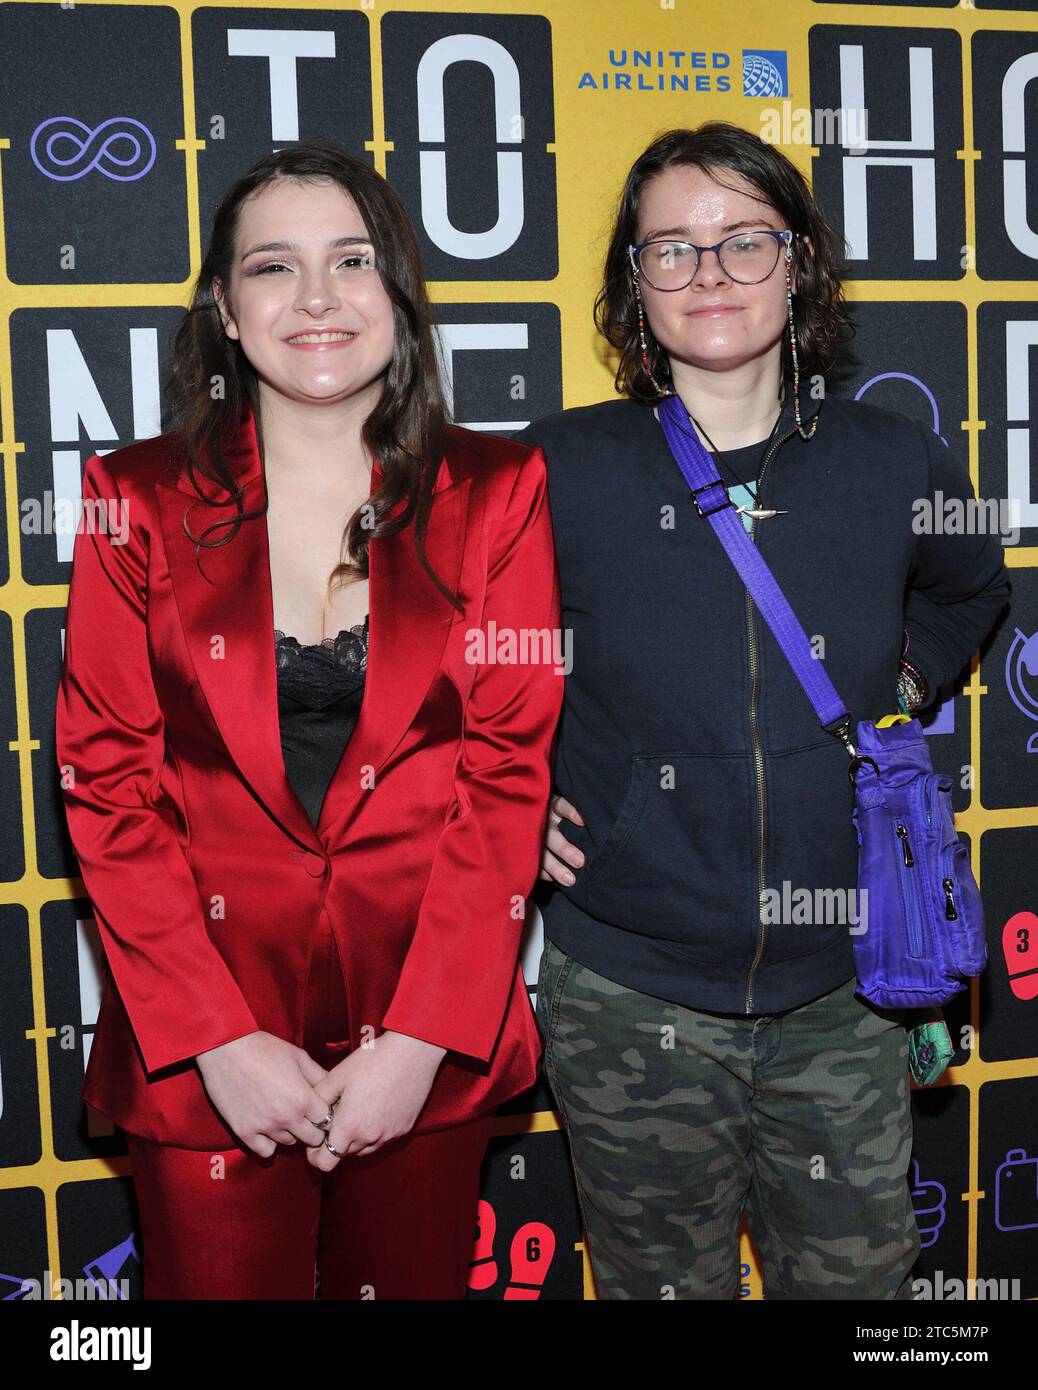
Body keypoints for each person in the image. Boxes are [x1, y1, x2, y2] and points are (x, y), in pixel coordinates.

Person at [54, 141, 564, 1300]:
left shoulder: (496, 493)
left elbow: (506, 776)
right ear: (226, 310)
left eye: (353, 260)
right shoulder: (129, 499)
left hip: (428, 1040)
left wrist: (424, 1041)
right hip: (204, 1050)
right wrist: (214, 1037)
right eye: (274, 267)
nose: (320, 298)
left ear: (399, 293)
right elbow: (106, 781)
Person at [513, 122, 1011, 1301]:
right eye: (671, 251)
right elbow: (456, 659)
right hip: (629, 994)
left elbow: (969, 586)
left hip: (846, 990)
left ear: (800, 265)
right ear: (634, 287)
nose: (712, 274)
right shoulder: (557, 467)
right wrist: (508, 793)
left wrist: (898, 684)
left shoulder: (895, 458)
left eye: (745, 241)